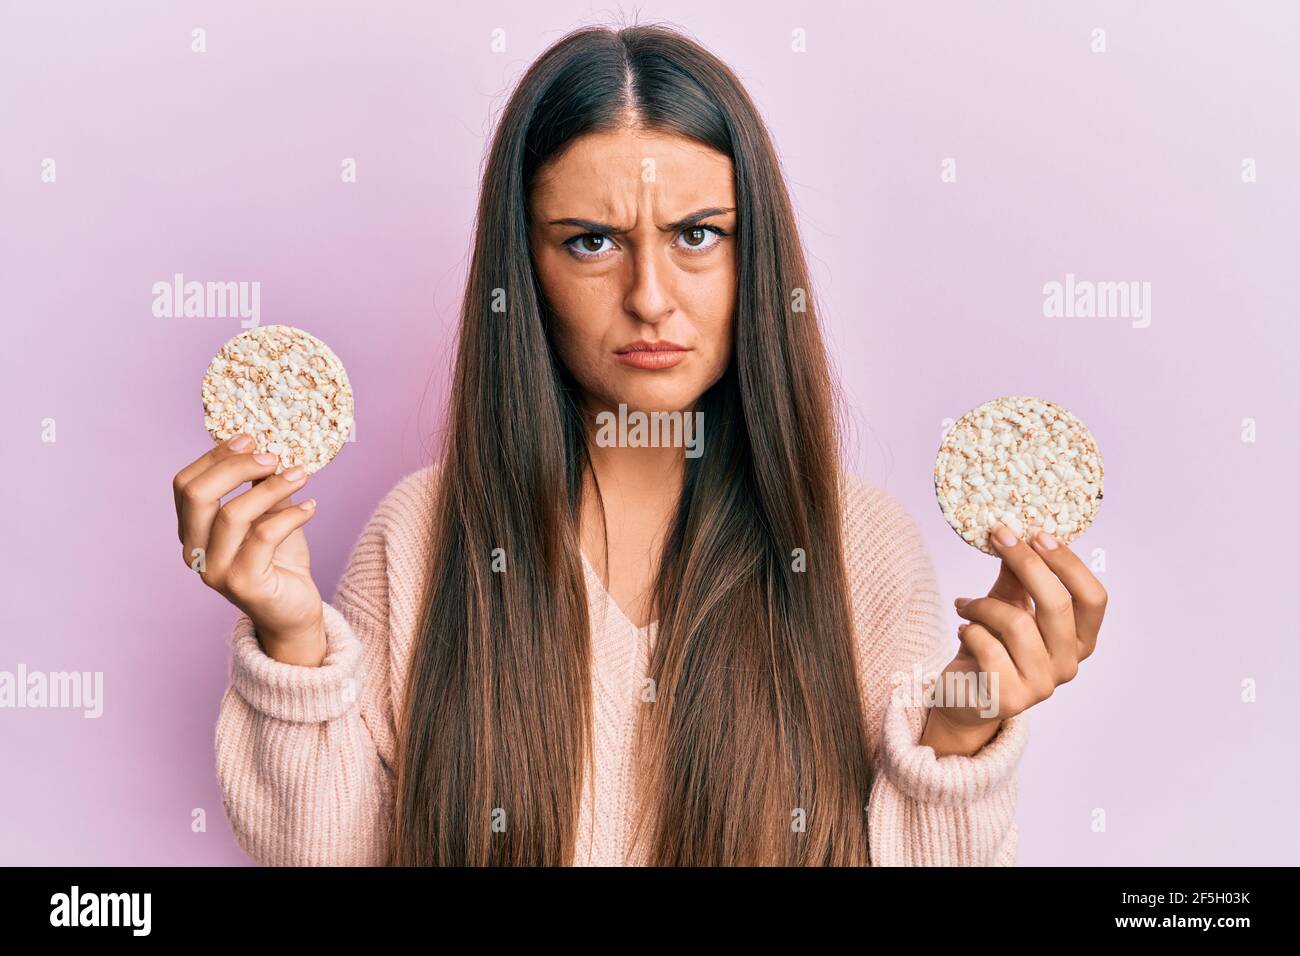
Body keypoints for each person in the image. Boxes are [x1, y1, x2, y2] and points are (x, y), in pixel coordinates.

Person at [171, 23, 1107, 866]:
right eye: (591, 243)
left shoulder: (858, 547)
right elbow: (328, 856)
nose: (651, 296)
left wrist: (963, 724)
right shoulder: (422, 535)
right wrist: (292, 645)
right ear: (523, 269)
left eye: (698, 234)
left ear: (757, 256)